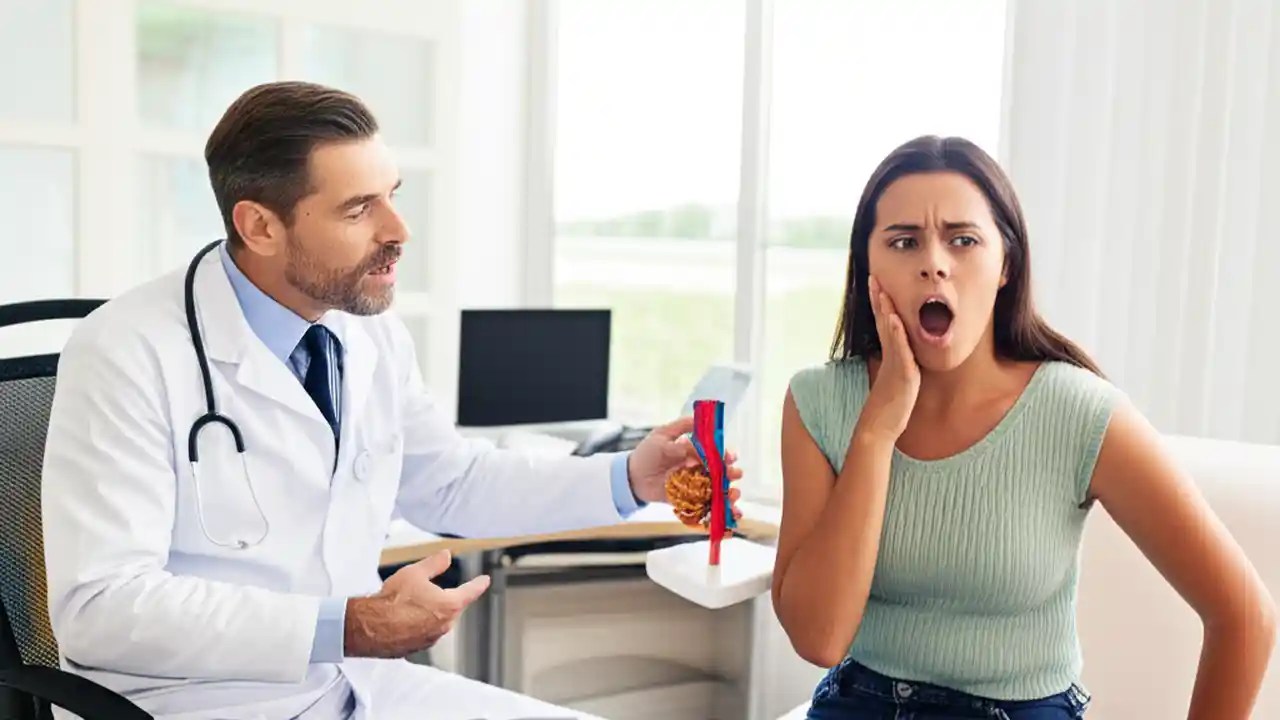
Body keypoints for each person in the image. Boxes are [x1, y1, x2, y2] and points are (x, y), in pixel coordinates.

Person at [40, 80, 742, 720]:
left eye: (392, 194)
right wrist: (346, 624)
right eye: (358, 209)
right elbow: (102, 608)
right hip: (191, 706)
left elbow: (450, 482)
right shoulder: (126, 350)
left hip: (349, 683)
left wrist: (628, 478)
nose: (398, 231)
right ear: (259, 226)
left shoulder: (364, 334)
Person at [772, 135, 1277, 719]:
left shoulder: (1079, 412)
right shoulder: (818, 403)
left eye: (963, 240)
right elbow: (818, 638)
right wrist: (876, 432)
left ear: (1005, 264)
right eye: (904, 241)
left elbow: (1244, 615)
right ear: (869, 269)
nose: (934, 261)